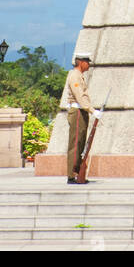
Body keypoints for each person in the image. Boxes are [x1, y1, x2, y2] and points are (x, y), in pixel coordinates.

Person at [61, 53, 98, 183]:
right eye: (87, 61)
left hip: (81, 111)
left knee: (81, 143)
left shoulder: (79, 76)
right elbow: (79, 96)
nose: (88, 64)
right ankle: (72, 175)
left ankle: (77, 173)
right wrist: (92, 110)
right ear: (81, 62)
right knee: (76, 144)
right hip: (77, 112)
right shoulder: (74, 76)